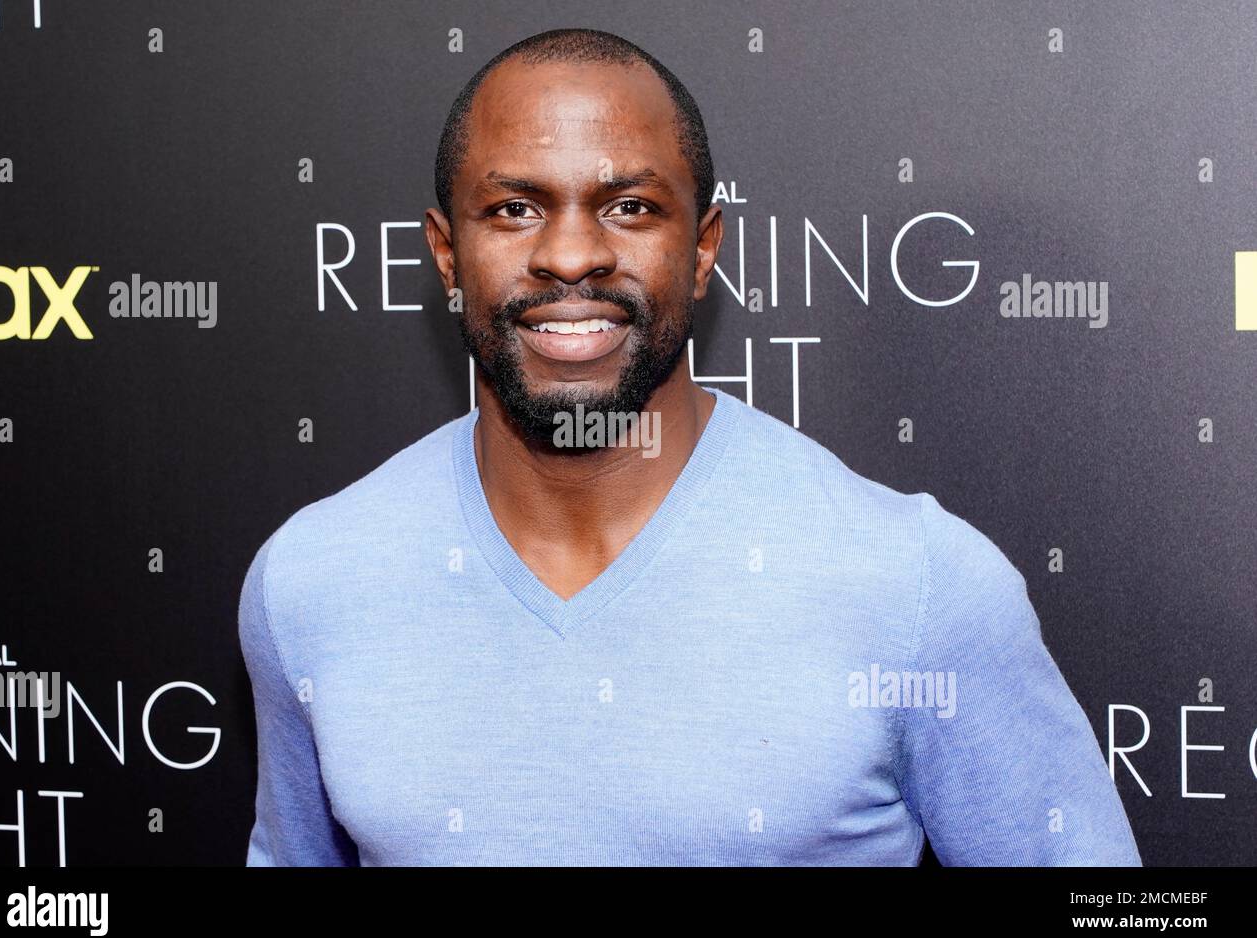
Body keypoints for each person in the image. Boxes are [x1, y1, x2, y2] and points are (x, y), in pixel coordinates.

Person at [238, 27, 1141, 865]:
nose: (570, 255)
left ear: (703, 248)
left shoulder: (916, 583)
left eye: (629, 206)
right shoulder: (312, 580)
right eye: (515, 208)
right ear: (444, 254)